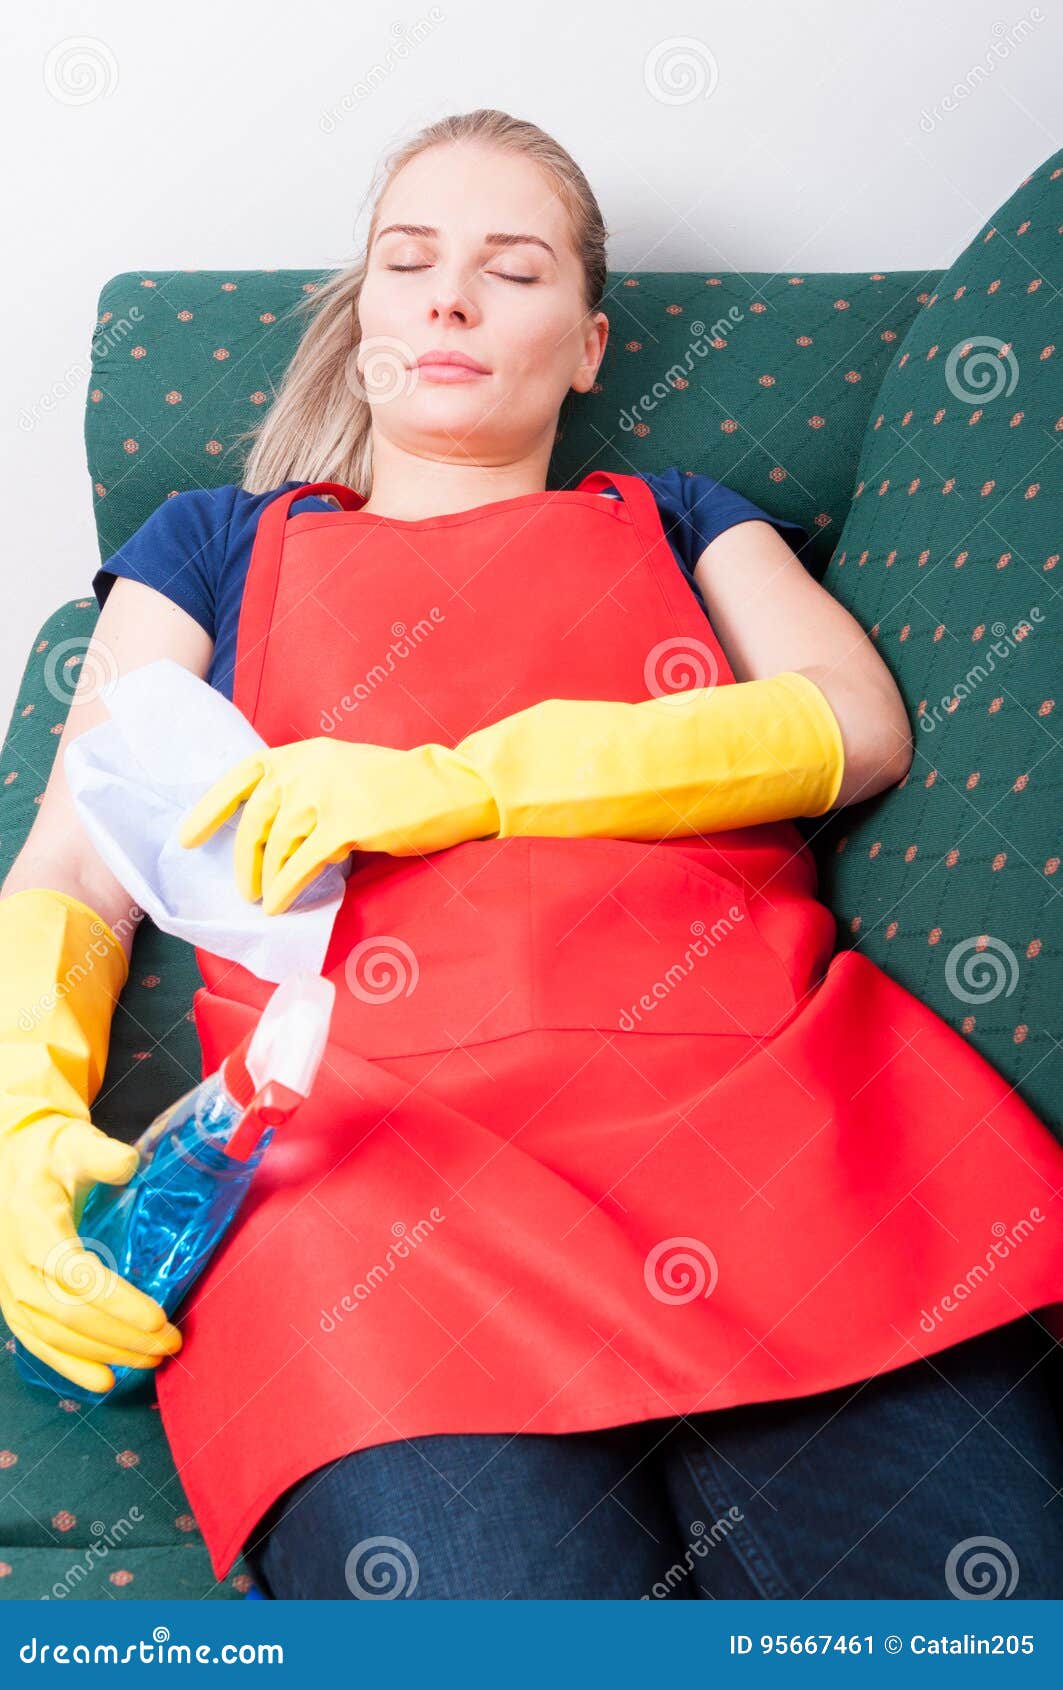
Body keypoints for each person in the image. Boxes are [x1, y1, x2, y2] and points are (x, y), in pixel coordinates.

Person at [1, 108, 1061, 1602]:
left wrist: (463, 781)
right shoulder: (213, 547)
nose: (449, 298)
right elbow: (76, 864)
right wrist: (19, 1118)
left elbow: (856, 722)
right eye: (408, 262)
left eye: (511, 270)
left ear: (589, 348)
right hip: (372, 1185)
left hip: (774, 1138)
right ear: (362, 320)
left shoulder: (682, 521)